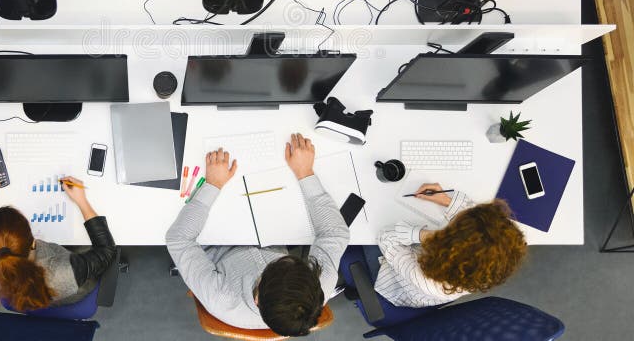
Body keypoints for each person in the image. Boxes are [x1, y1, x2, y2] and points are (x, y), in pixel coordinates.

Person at [166, 134, 349, 336]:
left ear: (257, 299)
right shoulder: (317, 285)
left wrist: (212, 185)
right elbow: (335, 233)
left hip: (217, 240)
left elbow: (178, 239)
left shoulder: (221, 298)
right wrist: (305, 173)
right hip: (269, 229)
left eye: (274, 265)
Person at [0, 167, 116, 312]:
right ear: (33, 241)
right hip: (65, 295)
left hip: (16, 299)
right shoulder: (65, 273)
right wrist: (81, 200)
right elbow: (106, 251)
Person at [374, 182, 527, 308]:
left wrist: (427, 235)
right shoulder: (482, 263)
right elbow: (478, 223)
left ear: (450, 244)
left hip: (396, 280)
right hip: (434, 262)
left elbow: (385, 236)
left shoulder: (427, 279)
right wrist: (447, 200)